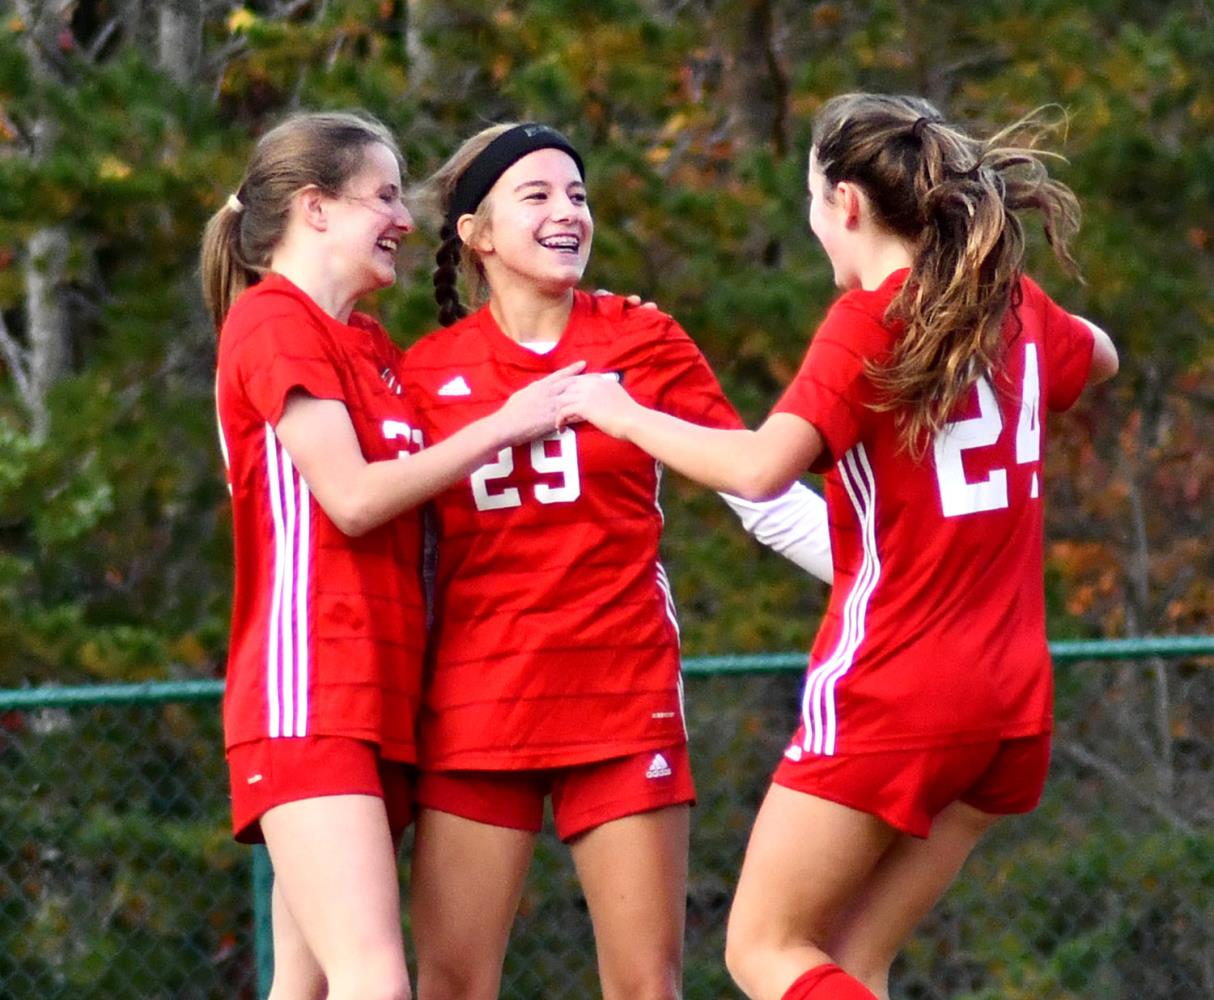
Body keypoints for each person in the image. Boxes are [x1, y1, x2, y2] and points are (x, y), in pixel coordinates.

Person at [556, 92, 1119, 1000]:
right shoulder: (1009, 301)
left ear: (846, 205)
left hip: (895, 688)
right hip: (1012, 700)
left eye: (812, 200)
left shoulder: (871, 319)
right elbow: (1098, 359)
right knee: (851, 965)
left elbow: (758, 471)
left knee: (765, 950)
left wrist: (620, 411)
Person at [398, 122, 834, 1000]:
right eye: (539, 195)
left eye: (579, 195)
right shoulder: (424, 372)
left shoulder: (641, 336)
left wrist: (898, 580)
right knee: (449, 984)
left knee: (645, 986)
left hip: (619, 691)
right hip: (480, 703)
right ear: (477, 234)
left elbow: (762, 495)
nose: (569, 212)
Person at [201, 111, 578, 1000]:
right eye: (383, 196)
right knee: (377, 976)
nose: (406, 218)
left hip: (381, 691)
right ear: (316, 207)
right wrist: (506, 426)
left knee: (308, 984)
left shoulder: (366, 343)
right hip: (309, 695)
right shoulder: (272, 324)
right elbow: (355, 497)